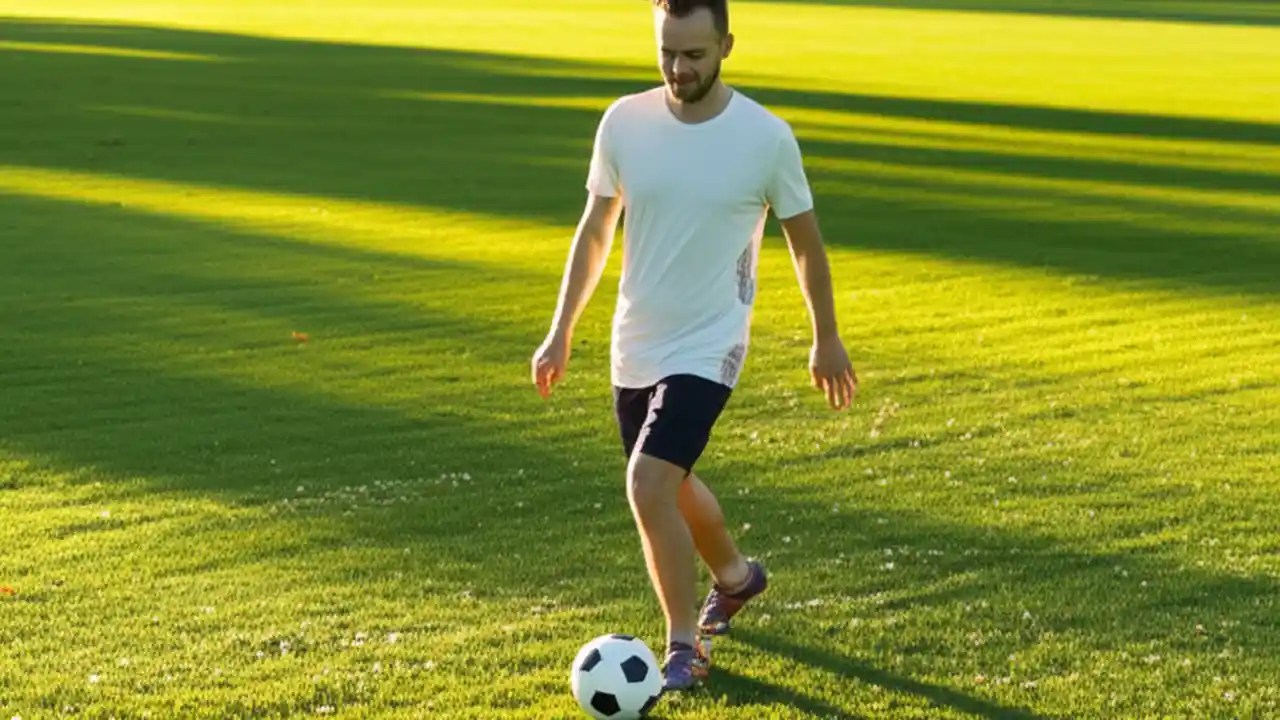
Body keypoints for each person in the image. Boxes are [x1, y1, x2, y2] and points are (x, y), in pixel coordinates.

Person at [531, 0, 857, 693]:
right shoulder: (624, 122)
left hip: (711, 344)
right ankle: (737, 579)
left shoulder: (765, 139)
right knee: (671, 488)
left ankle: (683, 645)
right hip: (635, 339)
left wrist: (826, 337)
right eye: (667, 53)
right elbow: (595, 233)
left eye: (695, 55)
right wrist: (561, 331)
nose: (680, 69)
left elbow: (806, 246)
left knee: (648, 482)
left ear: (727, 45)